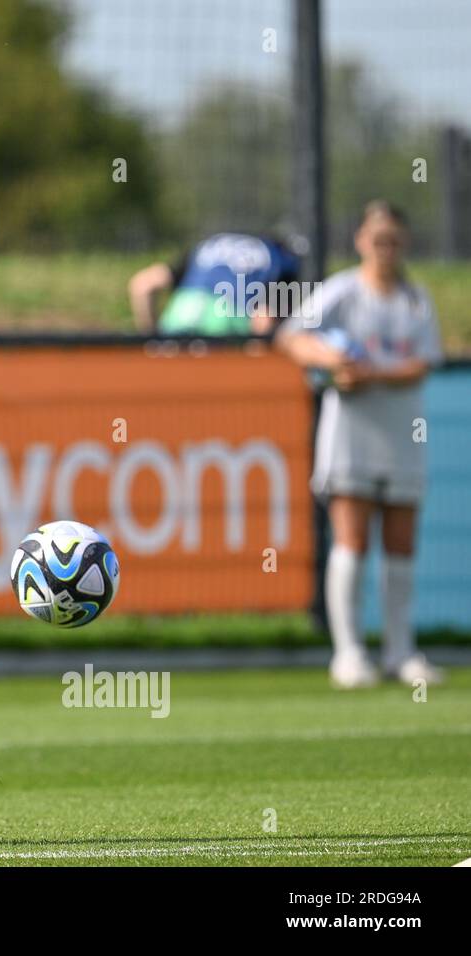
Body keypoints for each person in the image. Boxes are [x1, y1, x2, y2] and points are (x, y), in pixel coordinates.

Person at [276, 201, 445, 689]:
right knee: (351, 538)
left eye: (393, 239)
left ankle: (400, 652)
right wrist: (333, 361)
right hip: (351, 432)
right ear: (360, 241)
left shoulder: (416, 299)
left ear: (404, 244)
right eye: (377, 239)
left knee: (400, 541)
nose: (385, 248)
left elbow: (422, 362)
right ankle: (348, 654)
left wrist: (373, 373)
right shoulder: (341, 293)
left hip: (403, 431)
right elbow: (291, 338)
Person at [129, 231, 303, 335]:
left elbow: (142, 285)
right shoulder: (280, 259)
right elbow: (264, 320)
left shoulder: (208, 246)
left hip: (180, 317)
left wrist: (151, 342)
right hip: (227, 327)